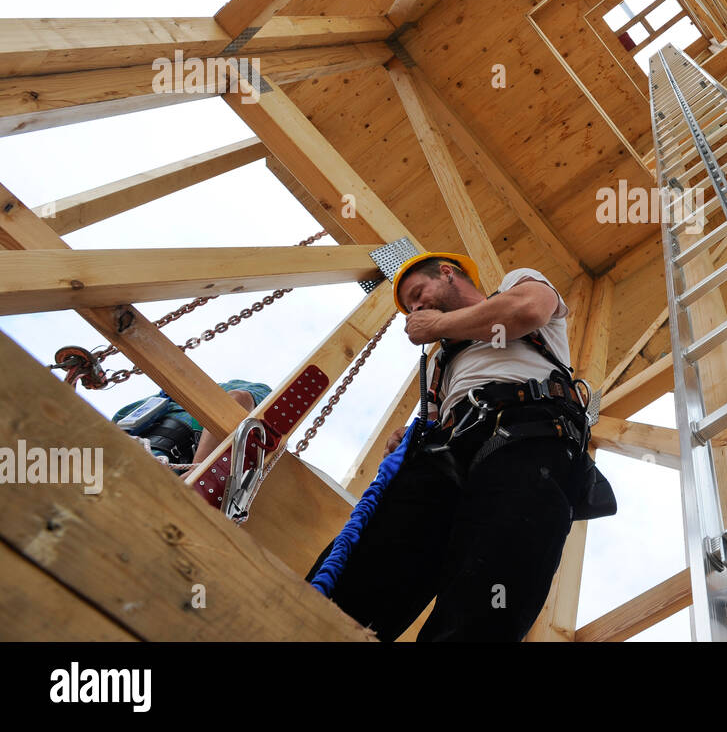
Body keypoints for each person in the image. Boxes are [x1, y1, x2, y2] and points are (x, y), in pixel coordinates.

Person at [306, 252, 613, 642]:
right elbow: (433, 417)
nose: (416, 308)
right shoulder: (441, 362)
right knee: (373, 565)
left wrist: (437, 323)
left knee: (488, 592)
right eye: (412, 307)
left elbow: (528, 310)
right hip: (446, 453)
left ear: (448, 273)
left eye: (419, 293)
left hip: (528, 436)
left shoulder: (518, 281)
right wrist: (407, 439)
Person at [112, 380, 271, 480]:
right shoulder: (149, 404)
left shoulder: (226, 389)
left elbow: (238, 401)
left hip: (169, 469)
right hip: (124, 462)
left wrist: (198, 472)